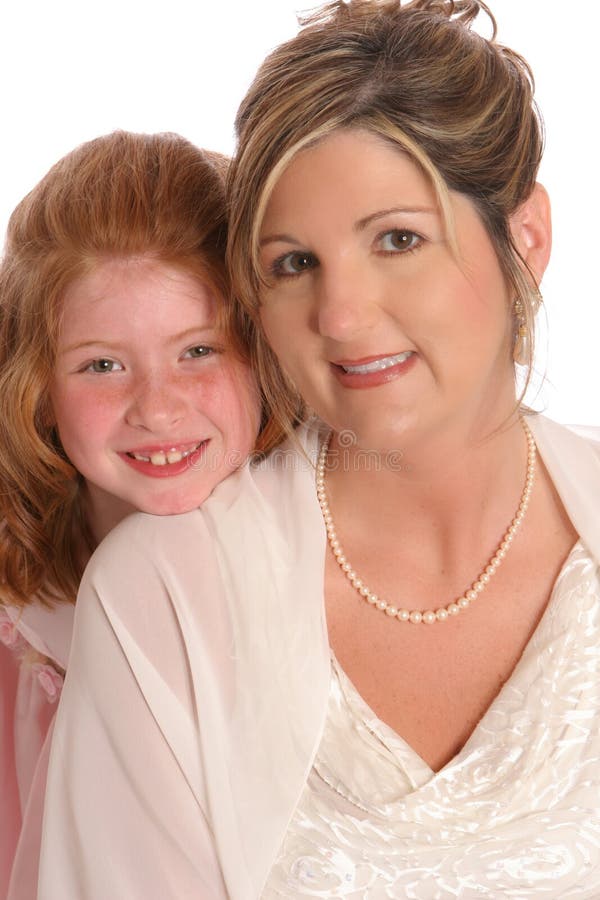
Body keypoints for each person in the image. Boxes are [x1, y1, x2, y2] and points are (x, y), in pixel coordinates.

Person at [39, 2, 600, 897]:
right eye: (294, 263)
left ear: (524, 240)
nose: (340, 316)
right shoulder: (167, 598)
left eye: (398, 240)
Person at [0, 130, 266, 899]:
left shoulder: (315, 559)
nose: (157, 407)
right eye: (103, 365)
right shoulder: (22, 611)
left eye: (199, 351)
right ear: (38, 387)